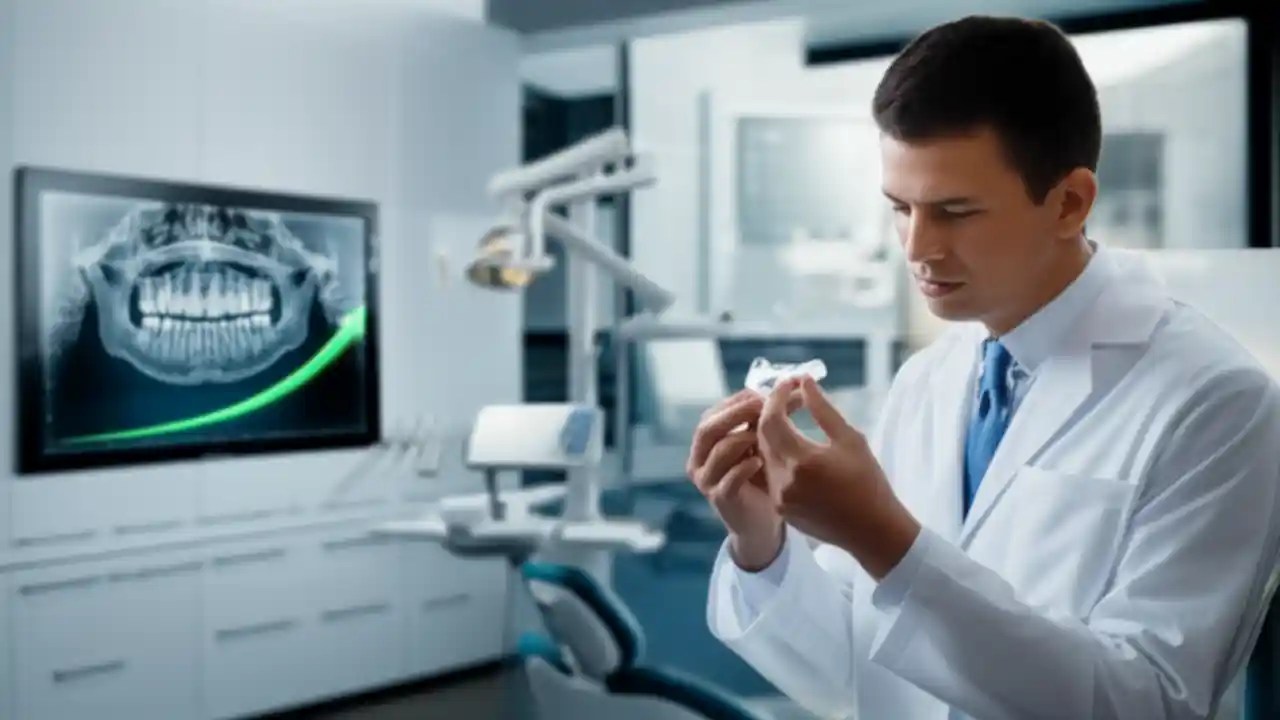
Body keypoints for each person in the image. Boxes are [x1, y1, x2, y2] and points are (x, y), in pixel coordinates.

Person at [686, 15, 1280, 720]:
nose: (918, 247)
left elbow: (1149, 702)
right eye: (900, 208)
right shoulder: (928, 380)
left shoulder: (1218, 402)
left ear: (1069, 203)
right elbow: (851, 670)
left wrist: (885, 539)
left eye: (956, 212)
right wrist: (761, 540)